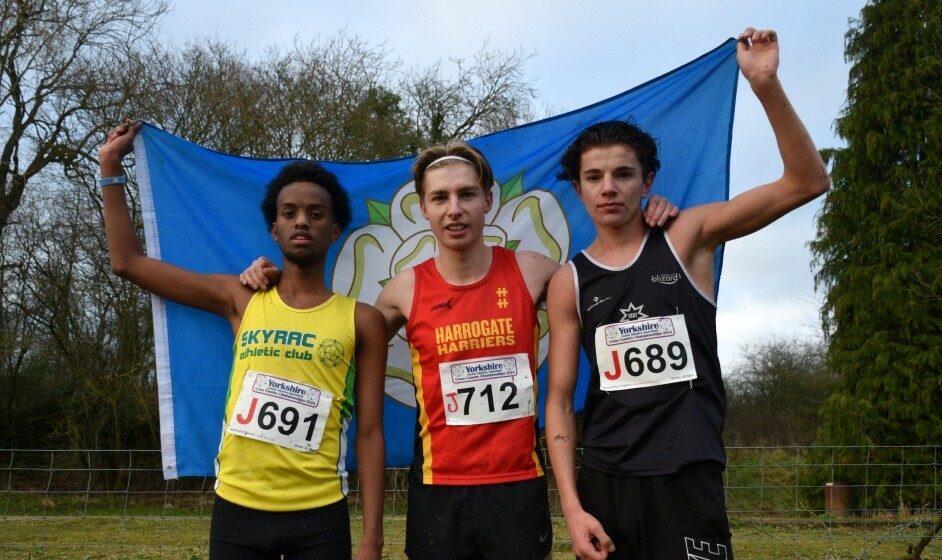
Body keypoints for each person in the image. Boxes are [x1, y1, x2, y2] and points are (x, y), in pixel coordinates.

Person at [241, 141, 678, 559]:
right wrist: (278, 284)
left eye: (466, 194)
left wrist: (649, 220)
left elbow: (611, 279)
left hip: (518, 486)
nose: (455, 209)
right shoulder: (403, 290)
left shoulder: (533, 271)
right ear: (423, 207)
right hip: (437, 490)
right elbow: (330, 337)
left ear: (488, 200)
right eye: (441, 197)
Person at [544, 27, 830, 560]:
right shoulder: (569, 280)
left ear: (647, 181)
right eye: (595, 177)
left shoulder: (688, 237)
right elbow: (559, 400)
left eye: (623, 174)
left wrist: (765, 85)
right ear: (578, 187)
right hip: (607, 479)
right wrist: (572, 506)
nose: (609, 187)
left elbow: (807, 182)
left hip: (688, 471)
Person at [98, 120, 388, 560]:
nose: (301, 221)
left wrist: (372, 537)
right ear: (274, 229)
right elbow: (128, 263)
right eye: (289, 213)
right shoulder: (240, 297)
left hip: (321, 515)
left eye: (316, 213)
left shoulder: (363, 320)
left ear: (334, 230)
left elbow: (369, 433)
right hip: (237, 510)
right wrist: (110, 167)